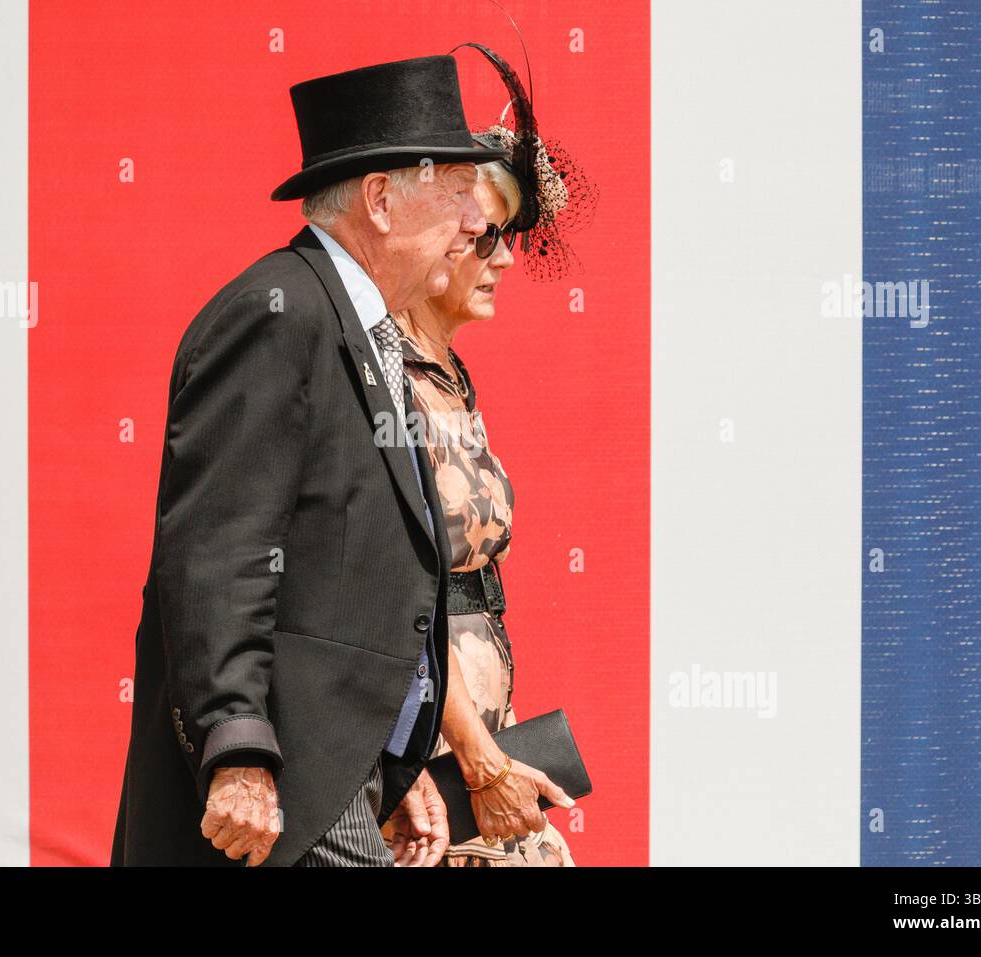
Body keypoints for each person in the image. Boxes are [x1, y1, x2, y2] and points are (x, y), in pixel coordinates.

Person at [109, 55, 508, 867]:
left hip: (329, 777)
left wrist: (391, 762)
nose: (478, 222)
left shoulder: (363, 328)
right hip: (283, 789)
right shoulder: (278, 315)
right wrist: (238, 750)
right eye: (459, 191)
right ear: (381, 199)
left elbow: (353, 574)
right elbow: (218, 555)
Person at [384, 43, 598, 867]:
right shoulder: (384, 383)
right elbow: (399, 597)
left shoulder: (450, 375)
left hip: (478, 759)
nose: (506, 258)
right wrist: (475, 759)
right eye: (487, 237)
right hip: (421, 780)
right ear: (442, 237)